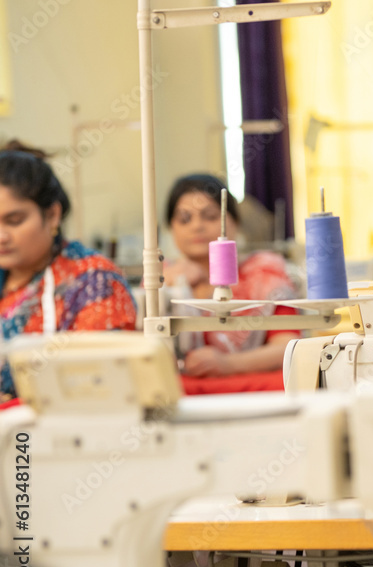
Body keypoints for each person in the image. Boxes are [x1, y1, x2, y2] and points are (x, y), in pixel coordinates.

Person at [0, 141, 136, 402]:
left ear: (52, 215)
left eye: (14, 221)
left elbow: (101, 383)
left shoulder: (93, 281)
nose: (2, 236)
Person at [163, 174, 298, 378]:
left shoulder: (264, 274)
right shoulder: (161, 280)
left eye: (210, 216)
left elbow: (289, 345)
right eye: (185, 219)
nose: (197, 226)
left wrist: (229, 364)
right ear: (171, 227)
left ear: (235, 222)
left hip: (250, 391)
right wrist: (168, 286)